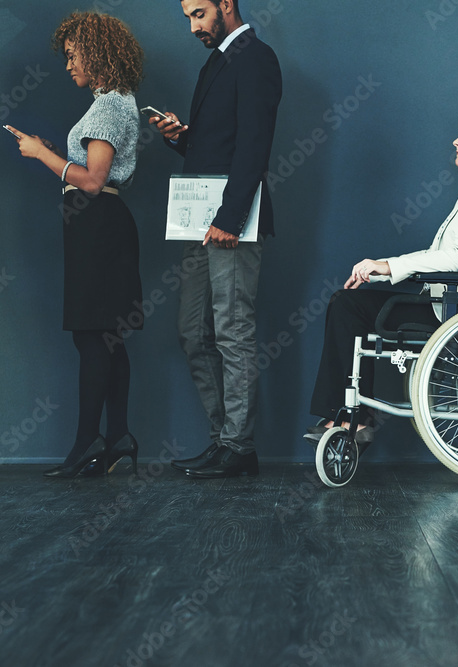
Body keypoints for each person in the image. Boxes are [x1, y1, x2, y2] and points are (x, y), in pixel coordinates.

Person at [304, 105, 458, 449]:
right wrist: (381, 268)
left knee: (348, 305)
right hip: (446, 300)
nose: (456, 141)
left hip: (456, 309)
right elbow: (436, 255)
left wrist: (386, 267)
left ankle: (352, 415)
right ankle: (352, 414)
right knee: (348, 302)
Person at [8, 11, 144, 478]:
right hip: (101, 226)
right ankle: (120, 436)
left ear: (96, 52)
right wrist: (55, 153)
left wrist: (42, 154)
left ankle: (89, 442)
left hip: (99, 226)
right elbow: (89, 173)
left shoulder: (108, 106)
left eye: (72, 56)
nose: (68, 66)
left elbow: (92, 180)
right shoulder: (116, 100)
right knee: (107, 335)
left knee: (93, 336)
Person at [152, 0, 282, 479]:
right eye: (188, 16)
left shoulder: (256, 58)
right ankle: (224, 440)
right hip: (200, 221)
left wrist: (230, 218)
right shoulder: (217, 61)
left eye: (200, 13)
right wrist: (179, 137)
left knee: (232, 330)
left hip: (231, 222)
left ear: (227, 4)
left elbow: (254, 145)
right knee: (194, 332)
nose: (193, 26)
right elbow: (218, 145)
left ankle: (238, 446)